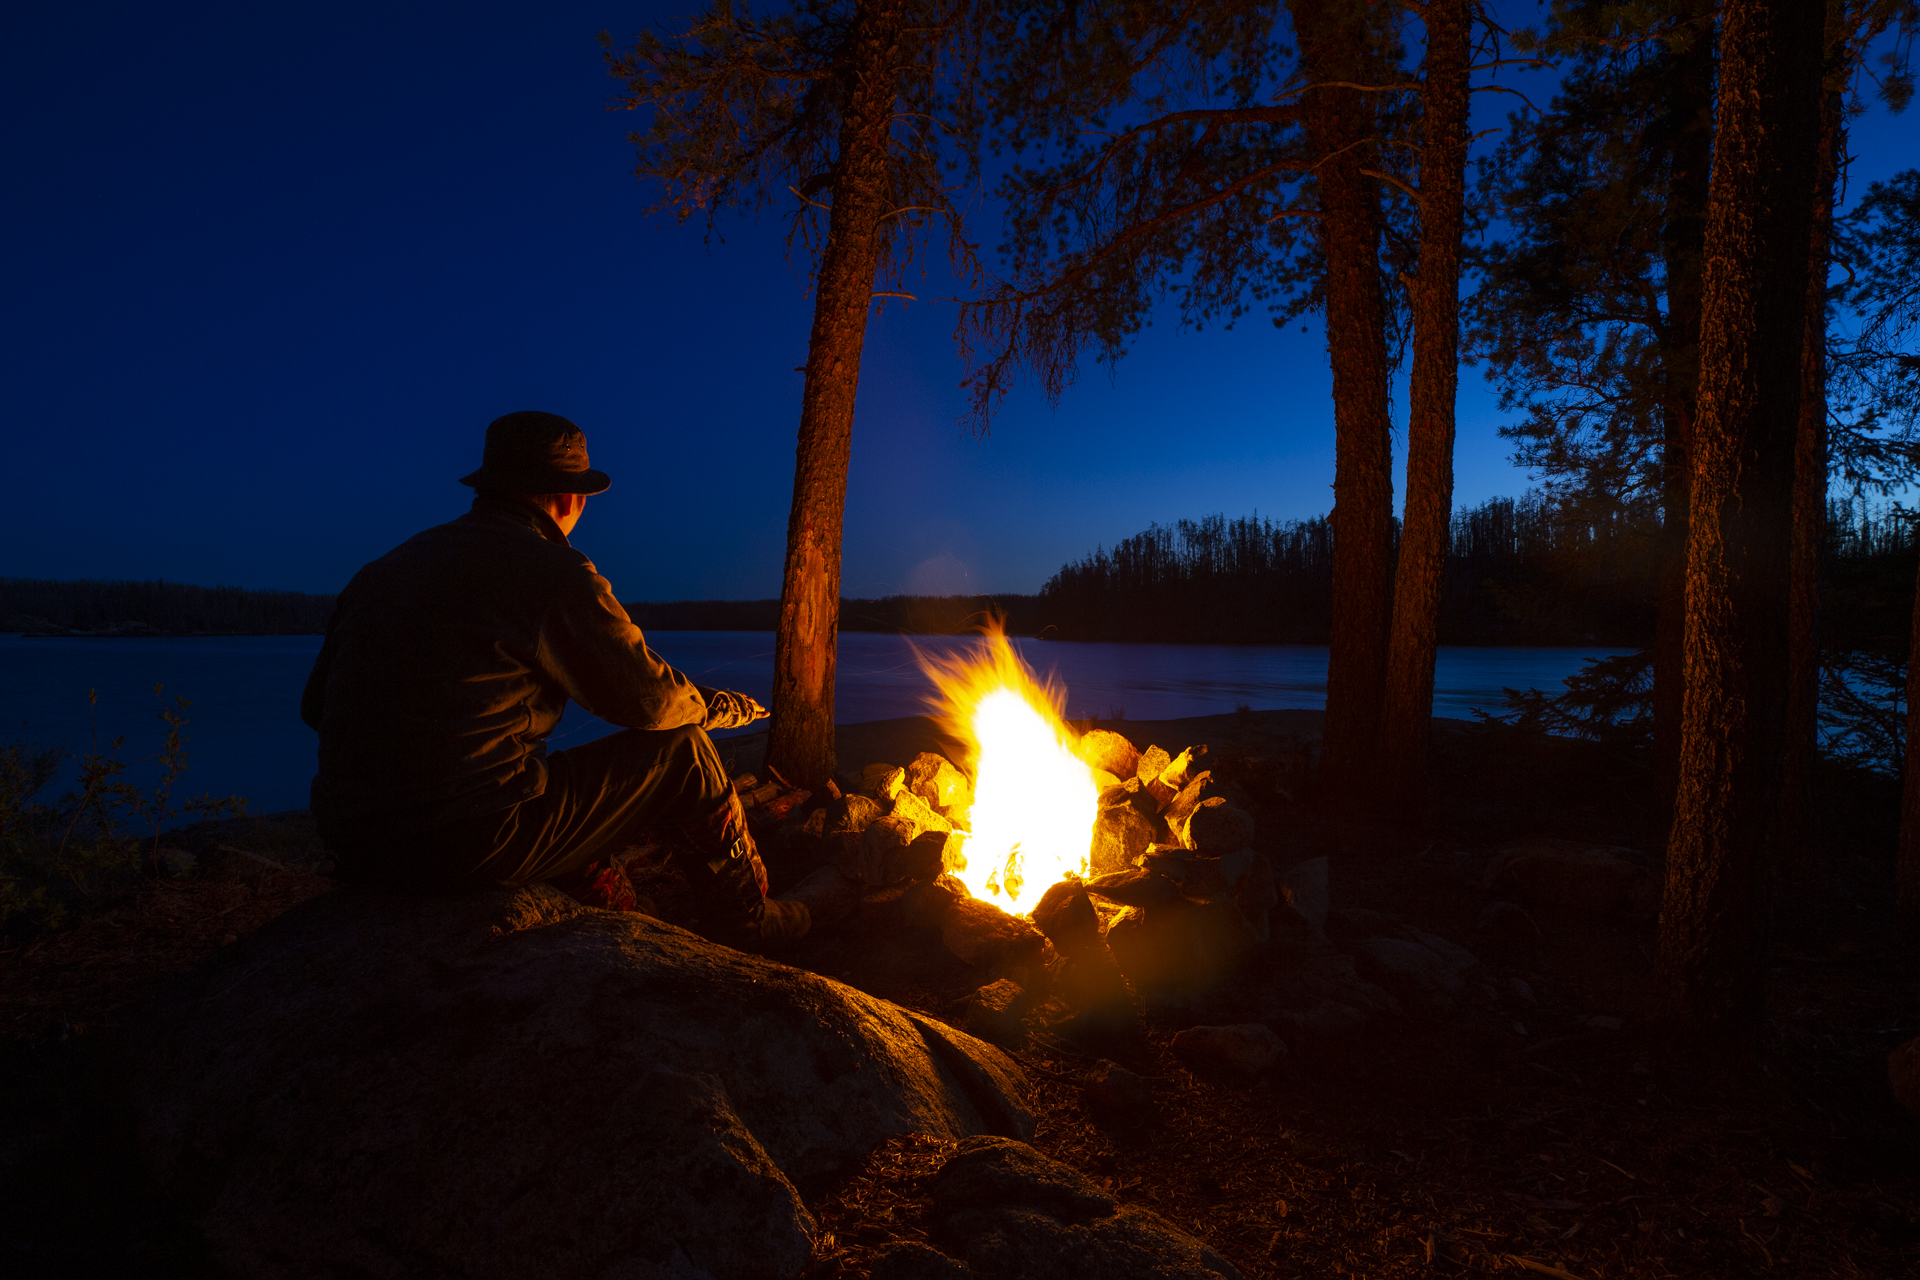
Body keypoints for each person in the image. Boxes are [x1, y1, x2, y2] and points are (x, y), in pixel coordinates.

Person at [300, 410, 808, 946]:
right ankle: (751, 923)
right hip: (466, 842)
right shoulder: (551, 571)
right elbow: (651, 702)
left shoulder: (383, 569)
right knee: (686, 752)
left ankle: (623, 923)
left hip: (354, 841)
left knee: (542, 777)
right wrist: (722, 708)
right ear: (570, 498)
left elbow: (316, 708)